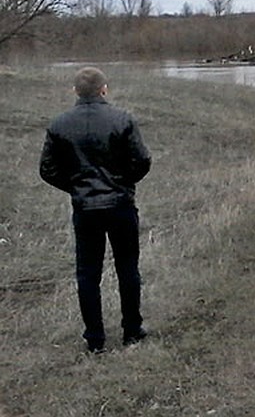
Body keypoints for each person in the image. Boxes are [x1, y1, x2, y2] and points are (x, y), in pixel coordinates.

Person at [39, 67, 152, 353]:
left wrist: (77, 187)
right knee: (128, 268)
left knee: (88, 273)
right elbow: (142, 160)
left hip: (85, 209)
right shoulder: (122, 120)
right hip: (120, 204)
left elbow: (47, 170)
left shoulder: (59, 124)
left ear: (75, 91)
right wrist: (123, 183)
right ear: (104, 89)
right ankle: (132, 331)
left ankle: (95, 339)